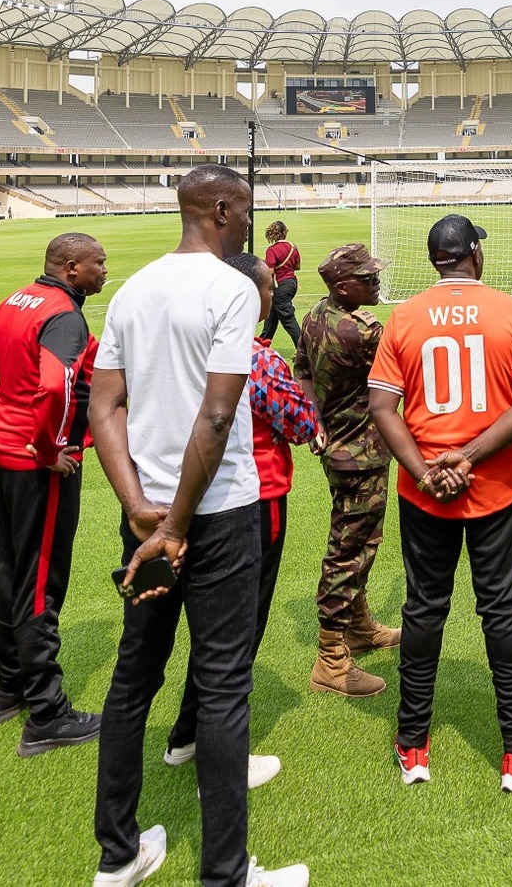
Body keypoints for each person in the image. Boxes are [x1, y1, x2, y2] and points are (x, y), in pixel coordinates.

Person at [88, 165, 307, 887]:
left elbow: (104, 410)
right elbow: (217, 416)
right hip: (213, 515)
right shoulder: (230, 288)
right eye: (244, 211)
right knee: (220, 688)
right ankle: (226, 875)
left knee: (132, 680)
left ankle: (117, 857)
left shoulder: (132, 289)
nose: (249, 223)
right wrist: (176, 525)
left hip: (147, 517)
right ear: (220, 208)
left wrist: (137, 508)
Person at [367, 214, 512, 793]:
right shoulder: (511, 310)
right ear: (473, 253)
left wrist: (428, 471)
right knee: (501, 607)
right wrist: (470, 457)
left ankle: (412, 744)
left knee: (424, 607)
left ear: (435, 262)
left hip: (425, 491)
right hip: (496, 485)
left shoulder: (403, 315)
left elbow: (381, 409)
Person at [161, 249, 318, 782]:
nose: (273, 295)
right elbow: (297, 422)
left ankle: (185, 736)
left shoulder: (182, 342)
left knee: (203, 629)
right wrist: (309, 402)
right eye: (269, 287)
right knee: (239, 629)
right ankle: (219, 751)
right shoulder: (257, 357)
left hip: (182, 496)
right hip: (255, 497)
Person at [0, 232, 108, 756]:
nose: (104, 271)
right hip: (39, 466)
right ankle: (47, 713)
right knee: (40, 582)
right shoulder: (64, 315)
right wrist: (48, 448)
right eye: (98, 264)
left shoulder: (15, 299)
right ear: (71, 267)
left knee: (13, 572)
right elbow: (54, 387)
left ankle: (9, 689)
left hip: (7, 454)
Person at [296, 243, 402, 699]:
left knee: (357, 540)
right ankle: (332, 657)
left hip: (336, 445)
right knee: (350, 548)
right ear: (343, 286)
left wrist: (314, 420)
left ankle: (357, 626)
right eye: (368, 278)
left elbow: (301, 369)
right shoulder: (363, 331)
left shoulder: (316, 314)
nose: (376, 283)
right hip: (360, 453)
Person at [261, 220, 305, 354]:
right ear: (284, 233)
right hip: (291, 283)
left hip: (279, 285)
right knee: (271, 318)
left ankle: (304, 351)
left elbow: (271, 272)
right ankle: (262, 347)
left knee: (287, 319)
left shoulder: (271, 250)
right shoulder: (292, 246)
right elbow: (297, 266)